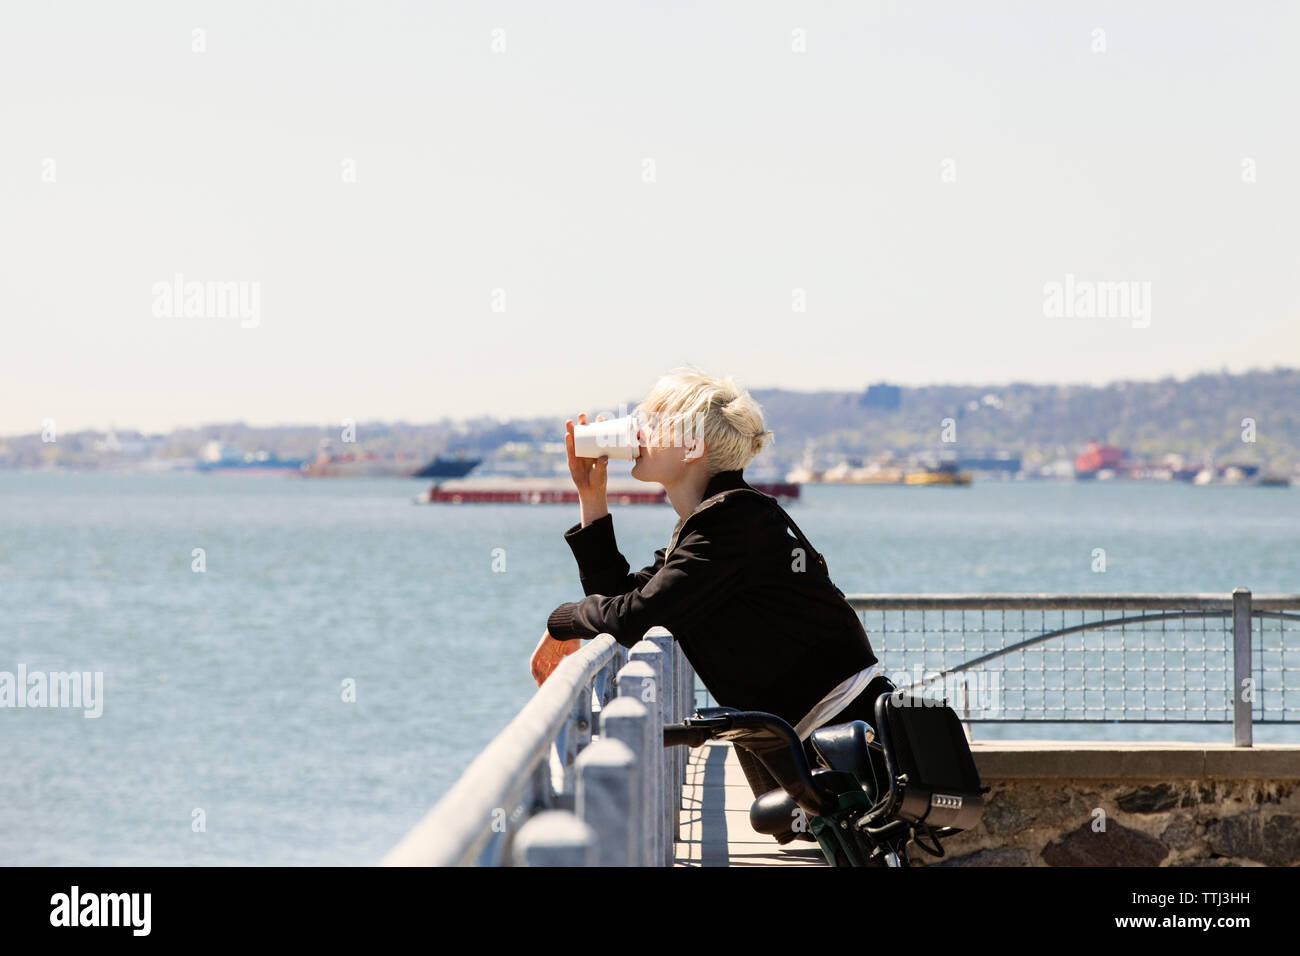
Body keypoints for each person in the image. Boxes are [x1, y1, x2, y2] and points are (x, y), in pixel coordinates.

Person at [529, 366, 894, 844]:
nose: (635, 428)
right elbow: (625, 601)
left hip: (845, 741)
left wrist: (562, 621)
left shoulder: (733, 525)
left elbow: (636, 617)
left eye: (651, 418)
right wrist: (592, 499)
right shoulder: (719, 523)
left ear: (693, 447)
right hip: (821, 740)